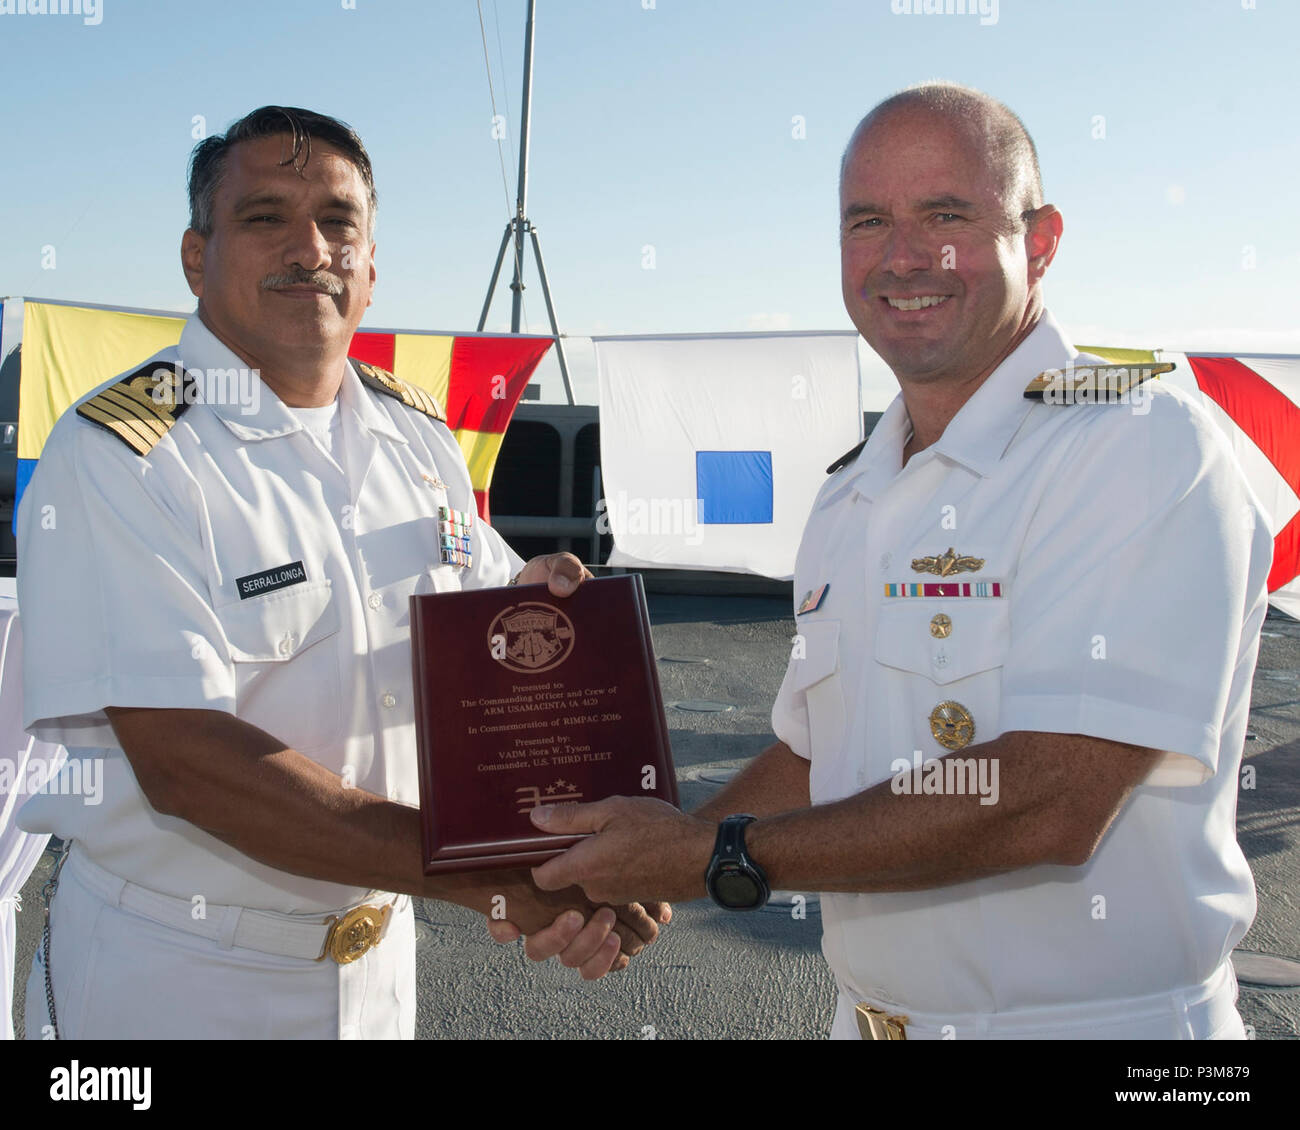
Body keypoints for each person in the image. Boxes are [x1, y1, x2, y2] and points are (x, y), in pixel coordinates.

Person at [517, 82, 1272, 1040]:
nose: (904, 255)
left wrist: (709, 858)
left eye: (947, 215)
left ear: (1040, 243)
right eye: (867, 220)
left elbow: (1053, 794)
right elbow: (813, 754)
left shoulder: (1137, 443)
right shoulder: (854, 491)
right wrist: (645, 868)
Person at [16, 106, 665, 1040]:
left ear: (369, 265)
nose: (309, 246)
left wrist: (549, 610)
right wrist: (492, 881)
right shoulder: (123, 451)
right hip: (179, 978)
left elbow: (495, 628)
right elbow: (188, 764)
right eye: (264, 217)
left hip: (379, 966)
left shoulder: (417, 435)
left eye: (338, 221)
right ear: (197, 258)